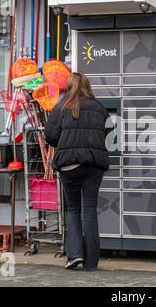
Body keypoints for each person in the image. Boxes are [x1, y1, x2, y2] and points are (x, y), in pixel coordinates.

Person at [45, 72, 112, 271]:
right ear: (87, 86)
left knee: (73, 209)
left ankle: (74, 255)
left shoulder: (62, 107)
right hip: (93, 165)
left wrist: (65, 143)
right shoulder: (99, 108)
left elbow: (50, 136)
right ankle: (91, 262)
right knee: (90, 210)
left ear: (69, 87)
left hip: (70, 166)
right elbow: (109, 132)